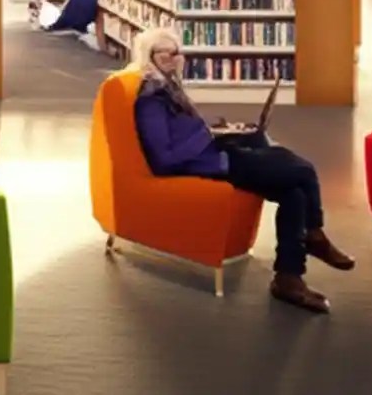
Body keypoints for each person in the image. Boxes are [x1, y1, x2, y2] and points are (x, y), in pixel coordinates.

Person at [129, 27, 354, 313]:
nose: (176, 59)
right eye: (168, 54)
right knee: (303, 170)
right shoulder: (151, 100)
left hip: (216, 152)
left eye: (178, 52)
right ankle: (315, 235)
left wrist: (218, 131)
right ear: (150, 57)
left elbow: (185, 134)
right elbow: (164, 158)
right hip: (211, 164)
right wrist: (208, 137)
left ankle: (288, 277)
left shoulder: (168, 87)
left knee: (294, 192)